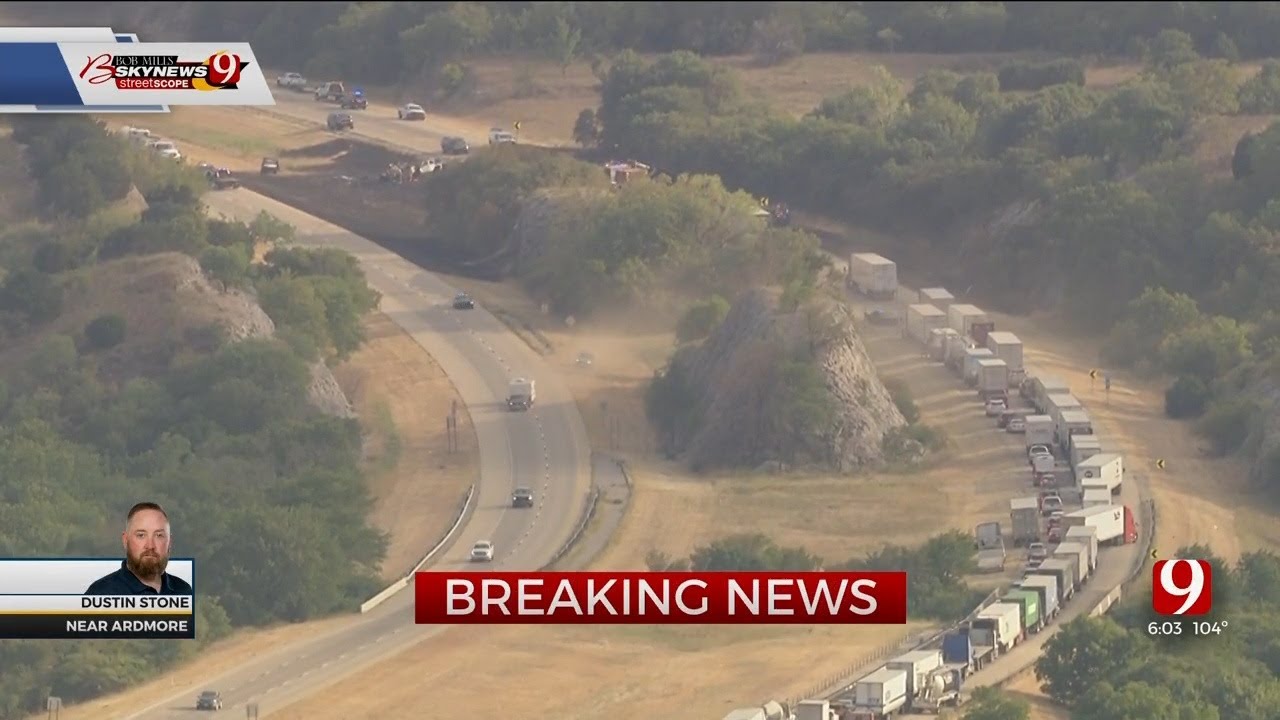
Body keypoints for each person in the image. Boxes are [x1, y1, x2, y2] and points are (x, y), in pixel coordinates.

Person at [84, 502, 193, 595]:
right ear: (125, 540)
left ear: (169, 542)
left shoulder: (183, 590)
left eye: (159, 535)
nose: (150, 546)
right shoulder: (100, 594)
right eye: (141, 535)